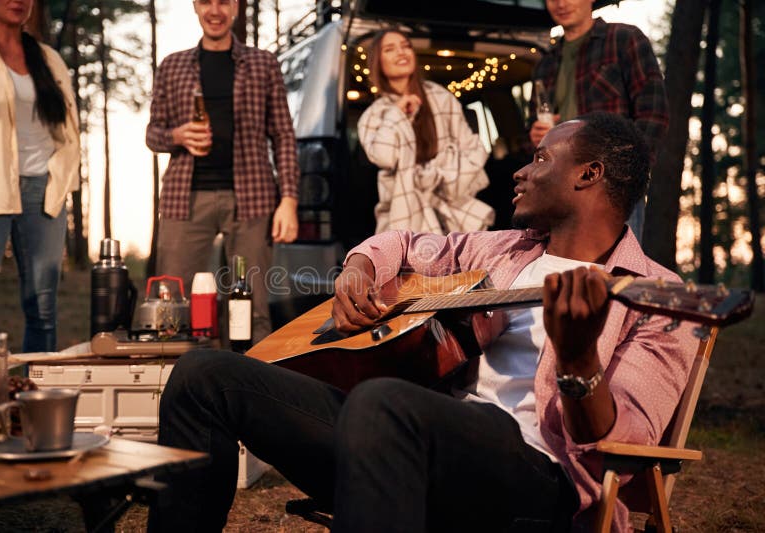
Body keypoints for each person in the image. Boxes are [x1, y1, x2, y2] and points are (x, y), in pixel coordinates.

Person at [149, 113, 699, 532]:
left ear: (589, 174)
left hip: (538, 476)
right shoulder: (504, 249)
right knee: (204, 376)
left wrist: (580, 360)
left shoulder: (664, 299)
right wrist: (358, 267)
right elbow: (404, 242)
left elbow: (624, 439)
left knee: (383, 402)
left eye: (539, 159)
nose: (521, 170)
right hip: (407, 439)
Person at [146, 0, 299, 343]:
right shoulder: (173, 66)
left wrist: (288, 199)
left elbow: (284, 135)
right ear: (195, 7)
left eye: (223, 2)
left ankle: (250, 390)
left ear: (236, 8)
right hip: (183, 201)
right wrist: (178, 135)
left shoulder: (263, 64)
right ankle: (178, 388)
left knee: (253, 308)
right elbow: (153, 134)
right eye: (206, 2)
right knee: (171, 306)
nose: (214, 10)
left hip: (252, 200)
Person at [0, 0, 79, 352]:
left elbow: (66, 125)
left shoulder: (47, 58)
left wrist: (62, 176)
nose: (18, 0)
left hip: (43, 187)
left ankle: (35, 400)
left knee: (43, 308)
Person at [529, 0, 668, 240]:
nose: (561, 3)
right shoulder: (545, 63)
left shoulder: (624, 39)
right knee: (562, 270)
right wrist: (535, 135)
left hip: (613, 186)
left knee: (616, 270)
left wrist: (623, 175)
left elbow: (654, 115)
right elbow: (532, 126)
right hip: (560, 186)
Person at [357, 29, 494, 234]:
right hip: (399, 216)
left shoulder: (440, 97)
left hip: (454, 212)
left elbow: (472, 147)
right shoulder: (374, 115)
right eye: (390, 49)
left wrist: (447, 178)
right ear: (378, 61)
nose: (401, 53)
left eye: (406, 46)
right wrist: (398, 114)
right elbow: (384, 157)